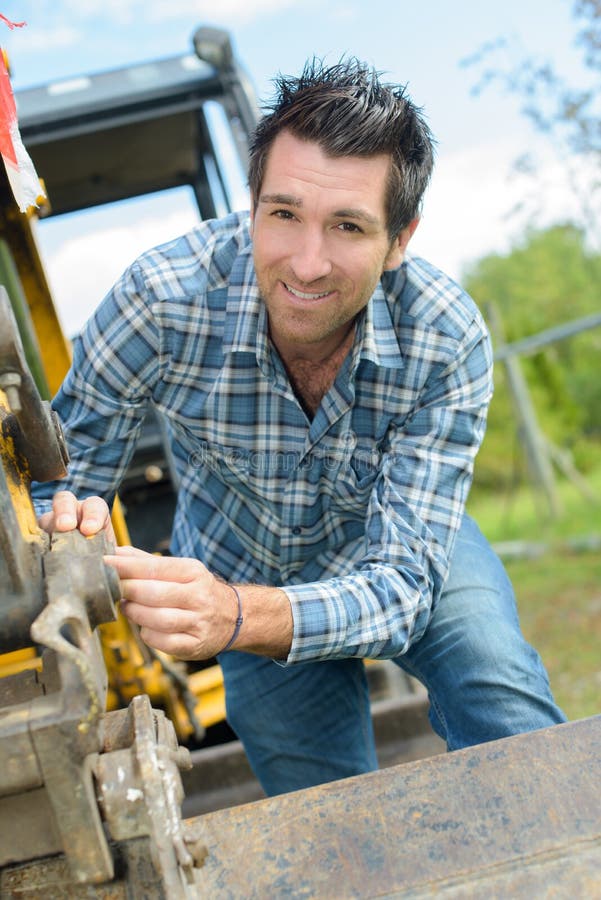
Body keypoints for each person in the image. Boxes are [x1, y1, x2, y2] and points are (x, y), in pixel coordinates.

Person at [34, 58, 566, 796]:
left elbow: (407, 585)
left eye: (347, 226)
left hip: (389, 547)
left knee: (498, 686)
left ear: (400, 237)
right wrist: (71, 522)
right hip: (237, 557)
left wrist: (236, 614)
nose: (306, 264)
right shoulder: (161, 299)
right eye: (283, 213)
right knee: (316, 802)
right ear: (251, 204)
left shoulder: (446, 338)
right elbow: (61, 479)